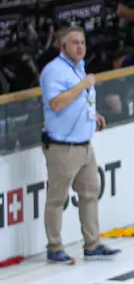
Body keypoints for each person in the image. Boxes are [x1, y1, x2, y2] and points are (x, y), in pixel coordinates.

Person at [39, 25, 119, 264]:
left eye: (82, 42)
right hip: (63, 147)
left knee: (90, 193)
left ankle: (92, 244)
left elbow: (78, 102)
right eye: (74, 42)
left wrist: (92, 117)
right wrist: (81, 86)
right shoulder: (54, 71)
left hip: (84, 144)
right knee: (57, 198)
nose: (80, 47)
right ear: (63, 47)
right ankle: (54, 247)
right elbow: (56, 104)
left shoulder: (78, 68)